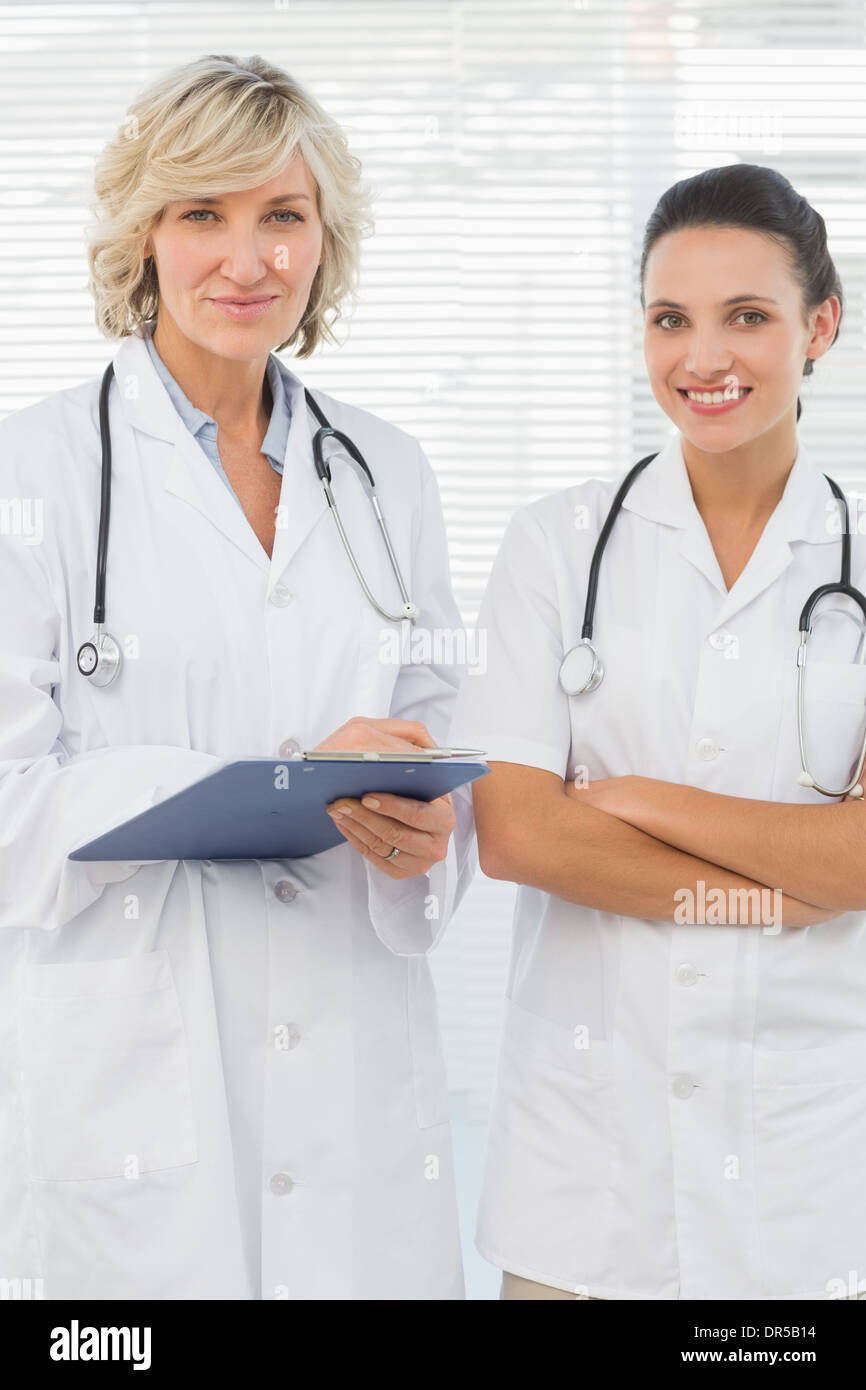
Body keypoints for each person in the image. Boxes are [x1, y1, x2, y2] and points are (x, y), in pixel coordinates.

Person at [0, 53, 475, 1300]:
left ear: (325, 241)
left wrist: (425, 825)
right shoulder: (35, 473)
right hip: (133, 1091)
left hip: (351, 1082)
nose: (247, 259)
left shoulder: (387, 473)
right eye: (201, 213)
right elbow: (8, 812)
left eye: (283, 217)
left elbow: (439, 741)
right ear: (141, 235)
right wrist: (253, 781)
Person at [449, 163, 866, 1301]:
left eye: (747, 316)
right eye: (669, 319)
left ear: (818, 325)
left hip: (805, 1177)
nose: (703, 358)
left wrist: (635, 800)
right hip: (585, 1178)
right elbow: (519, 836)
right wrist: (781, 882)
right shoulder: (553, 548)